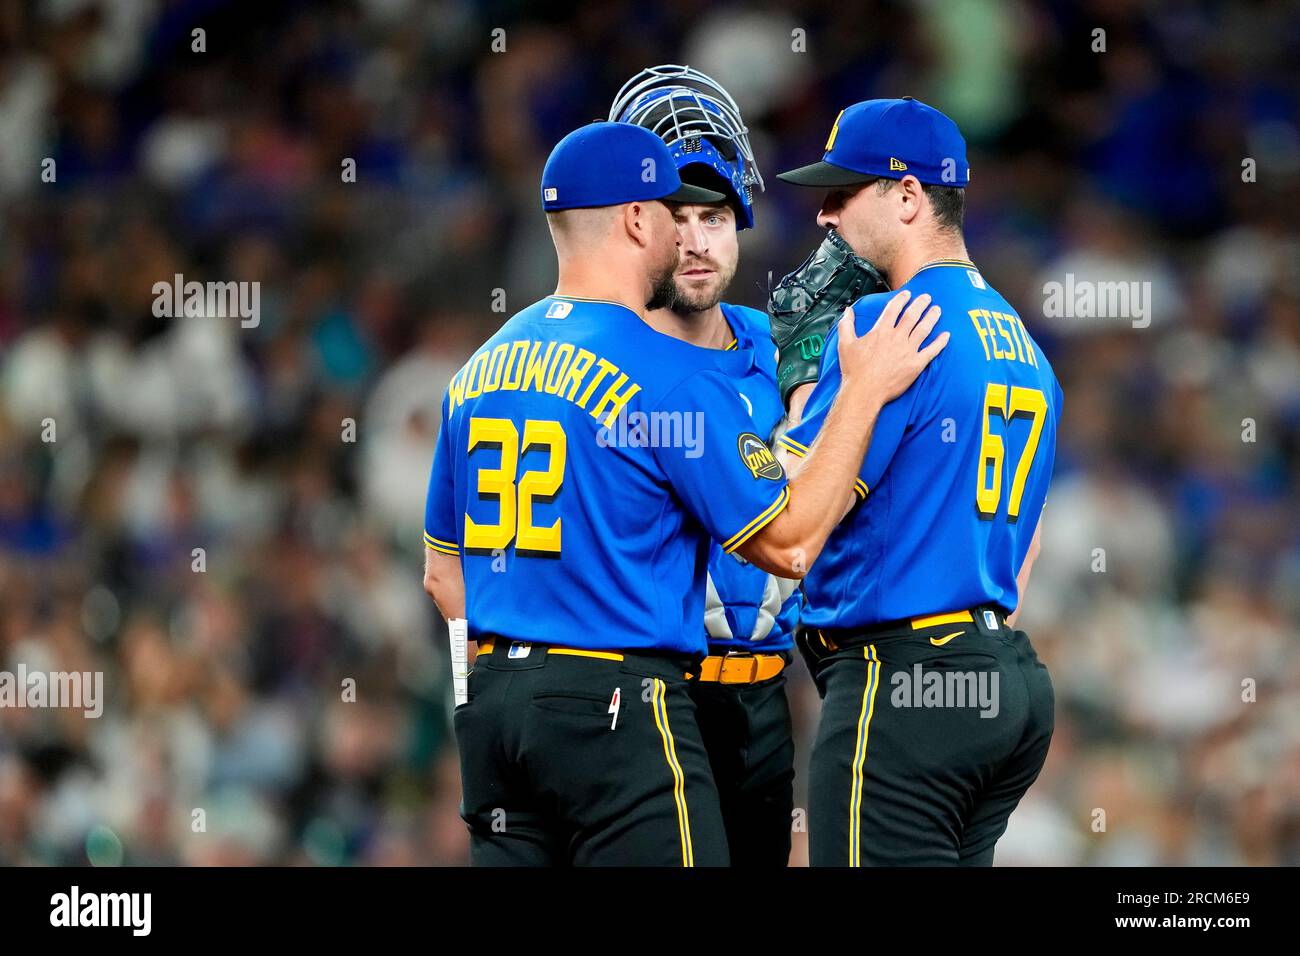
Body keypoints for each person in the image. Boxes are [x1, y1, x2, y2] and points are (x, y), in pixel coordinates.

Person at [421, 119, 947, 866]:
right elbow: (790, 542)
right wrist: (862, 391)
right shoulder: (666, 376)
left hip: (491, 712)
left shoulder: (479, 366)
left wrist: (501, 682)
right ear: (637, 219)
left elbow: (444, 577)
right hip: (617, 703)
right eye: (675, 213)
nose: (693, 237)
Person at [771, 97, 1062, 866]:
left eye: (842, 192)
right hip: (1002, 681)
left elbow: (791, 521)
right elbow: (1020, 556)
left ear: (907, 196)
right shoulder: (1025, 346)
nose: (825, 216)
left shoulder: (887, 328)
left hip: (899, 684)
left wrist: (804, 388)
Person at [611, 64, 798, 866]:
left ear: (740, 223)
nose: (694, 240)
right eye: (674, 217)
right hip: (652, 695)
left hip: (766, 696)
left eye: (713, 216)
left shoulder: (787, 347)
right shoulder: (603, 359)